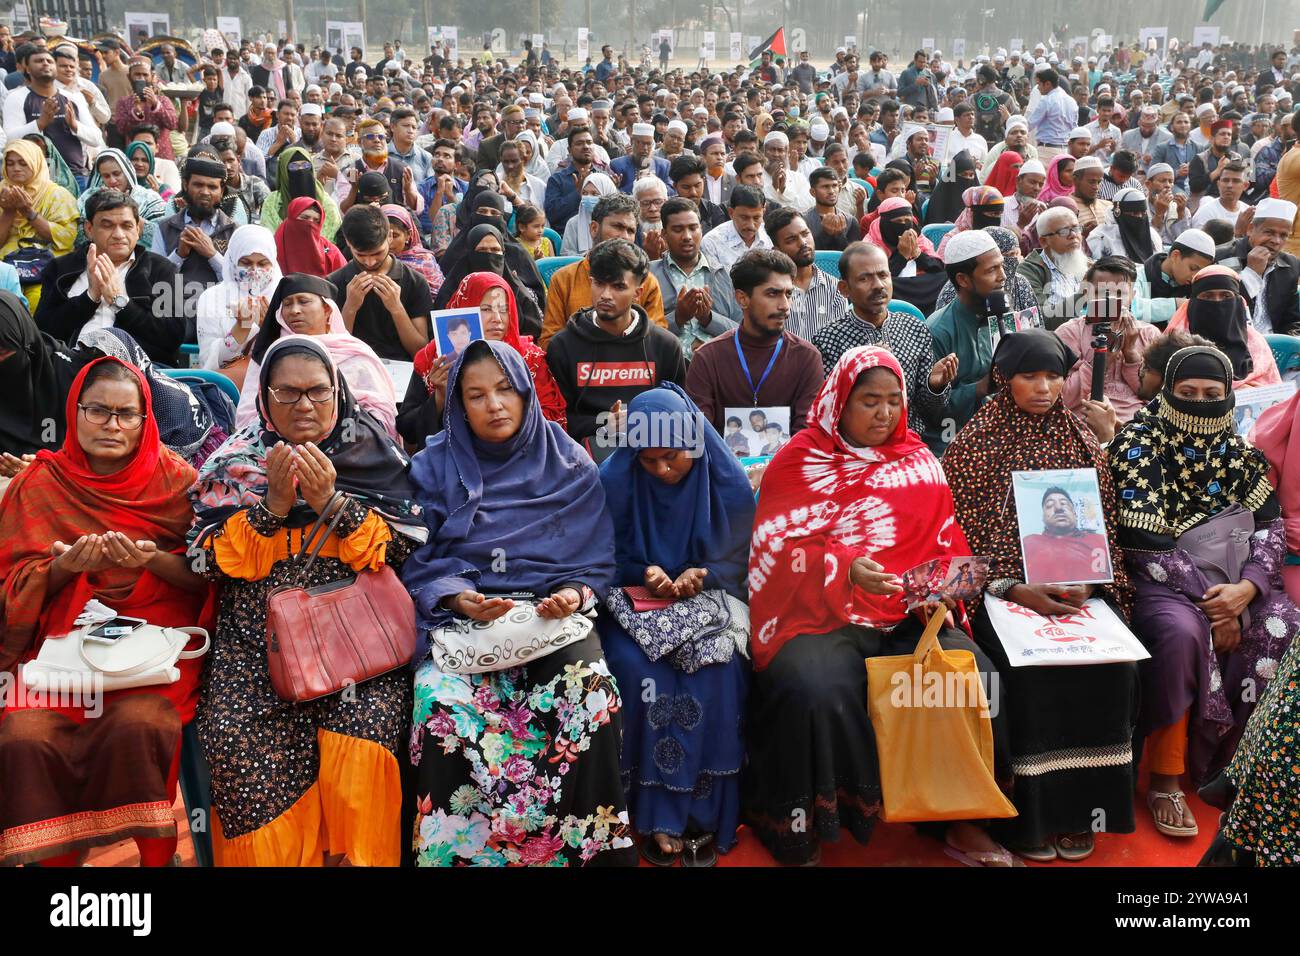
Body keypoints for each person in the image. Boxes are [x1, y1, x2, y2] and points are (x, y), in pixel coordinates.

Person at [745, 345, 1014, 866]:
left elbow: (945, 542)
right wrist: (844, 568)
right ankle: (805, 824)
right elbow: (775, 551)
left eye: (894, 400)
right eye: (869, 401)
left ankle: (960, 818)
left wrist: (941, 586)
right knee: (815, 686)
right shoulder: (800, 460)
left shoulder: (920, 463)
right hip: (822, 614)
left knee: (971, 676)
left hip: (908, 613)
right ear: (840, 403)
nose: (885, 413)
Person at [189, 335, 425, 865]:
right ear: (265, 399)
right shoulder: (237, 462)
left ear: (338, 393)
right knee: (233, 735)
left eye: (318, 392)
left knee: (368, 726)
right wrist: (271, 508)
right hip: (257, 643)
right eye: (288, 394)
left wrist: (331, 504)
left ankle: (359, 857)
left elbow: (409, 548)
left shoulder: (372, 451)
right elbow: (203, 562)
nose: (305, 406)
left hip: (358, 641)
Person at [400, 339, 637, 866]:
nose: (495, 405)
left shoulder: (566, 460)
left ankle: (581, 853)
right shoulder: (432, 466)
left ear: (527, 392)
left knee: (590, 693)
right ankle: (462, 856)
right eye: (476, 395)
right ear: (458, 404)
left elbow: (596, 557)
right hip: (464, 622)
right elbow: (412, 555)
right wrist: (457, 597)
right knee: (439, 708)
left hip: (551, 618)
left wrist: (573, 593)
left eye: (505, 389)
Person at [0, 356, 211, 866]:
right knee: (25, 733)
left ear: (146, 419)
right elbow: (10, 581)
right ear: (75, 411)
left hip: (153, 646)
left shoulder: (177, 482)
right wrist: (63, 569)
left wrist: (151, 559)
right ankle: (58, 862)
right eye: (98, 411)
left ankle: (156, 858)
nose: (111, 425)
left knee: (141, 725)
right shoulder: (42, 482)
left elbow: (203, 577)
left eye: (126, 414)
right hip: (57, 645)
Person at [944, 330, 1139, 863]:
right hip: (1000, 593)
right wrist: (1014, 588)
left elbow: (1103, 532)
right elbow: (959, 544)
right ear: (1005, 380)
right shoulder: (974, 444)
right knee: (1023, 673)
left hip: (1074, 589)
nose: (1045, 386)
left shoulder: (1078, 439)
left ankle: (1080, 811)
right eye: (1030, 375)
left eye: (1054, 376)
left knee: (1112, 667)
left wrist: (1092, 581)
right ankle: (1028, 816)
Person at [1110, 344, 1300, 838]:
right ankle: (1166, 778)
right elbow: (1144, 538)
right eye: (1186, 393)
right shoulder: (1139, 444)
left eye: (1211, 394)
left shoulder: (1240, 455)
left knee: (1284, 625)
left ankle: (1238, 764)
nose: (1199, 403)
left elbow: (1269, 528)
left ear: (1229, 396)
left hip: (1236, 586)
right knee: (1179, 634)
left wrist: (1247, 591)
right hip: (1163, 582)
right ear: (1167, 392)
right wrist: (1214, 605)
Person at [597, 383, 753, 866]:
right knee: (640, 673)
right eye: (648, 460)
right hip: (634, 609)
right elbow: (600, 555)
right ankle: (649, 810)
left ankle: (701, 810)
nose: (663, 470)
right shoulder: (616, 482)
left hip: (712, 601)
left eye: (673, 456)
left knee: (717, 668)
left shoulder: (727, 485)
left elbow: (741, 558)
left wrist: (700, 574)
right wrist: (645, 572)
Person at [546, 239, 686, 446]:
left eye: (618, 286)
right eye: (599, 284)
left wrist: (639, 422)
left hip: (651, 451)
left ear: (637, 293)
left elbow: (680, 415)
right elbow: (556, 422)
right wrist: (603, 425)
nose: (605, 295)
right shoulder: (563, 346)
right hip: (584, 454)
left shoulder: (665, 346)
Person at [402, 271, 567, 443]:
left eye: (504, 310)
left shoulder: (528, 358)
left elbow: (551, 422)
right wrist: (440, 397)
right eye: (486, 309)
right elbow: (407, 429)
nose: (497, 319)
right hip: (452, 459)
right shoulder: (436, 360)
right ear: (465, 309)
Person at [235, 274, 398, 439]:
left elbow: (380, 414)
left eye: (303, 301)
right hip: (279, 445)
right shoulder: (269, 355)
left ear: (327, 309)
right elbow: (247, 417)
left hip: (349, 444)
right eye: (287, 304)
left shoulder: (356, 354)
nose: (294, 310)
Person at [685, 248, 825, 437]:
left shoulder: (807, 357)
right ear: (742, 299)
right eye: (772, 294)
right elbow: (700, 435)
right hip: (722, 466)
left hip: (787, 464)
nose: (785, 305)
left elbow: (806, 436)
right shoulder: (707, 358)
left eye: (789, 294)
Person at [814, 241, 947, 436]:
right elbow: (829, 412)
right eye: (864, 279)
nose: (878, 285)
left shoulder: (915, 328)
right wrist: (865, 369)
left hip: (909, 442)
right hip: (854, 448)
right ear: (844, 289)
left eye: (883, 275)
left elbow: (929, 412)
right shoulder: (828, 339)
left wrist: (935, 387)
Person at [35, 190, 182, 365]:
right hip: (70, 366)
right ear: (89, 229)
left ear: (138, 229)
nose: (119, 234)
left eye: (126, 226)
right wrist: (90, 297)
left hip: (139, 370)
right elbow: (43, 331)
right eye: (107, 225)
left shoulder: (163, 270)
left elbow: (173, 336)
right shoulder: (60, 269)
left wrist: (120, 302)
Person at [540, 194, 666, 346]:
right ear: (594, 228)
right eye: (617, 227)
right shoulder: (564, 279)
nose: (624, 237)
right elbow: (549, 342)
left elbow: (657, 342)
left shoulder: (646, 282)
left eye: (631, 231)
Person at [923, 229, 1006, 447]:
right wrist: (982, 387)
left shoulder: (1003, 316)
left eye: (1001, 266)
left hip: (1001, 428)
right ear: (963, 279)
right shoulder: (938, 331)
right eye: (991, 270)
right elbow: (930, 410)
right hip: (952, 439)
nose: (1003, 276)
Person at [327, 204, 432, 362]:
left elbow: (420, 351)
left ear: (389, 237)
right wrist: (350, 308)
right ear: (348, 243)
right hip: (352, 367)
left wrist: (396, 308)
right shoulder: (333, 283)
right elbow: (331, 351)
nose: (370, 262)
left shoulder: (415, 282)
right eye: (361, 255)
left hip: (402, 370)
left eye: (378, 253)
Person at [151, 153, 239, 333]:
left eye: (212, 187)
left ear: (221, 191)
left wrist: (212, 254)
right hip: (173, 314)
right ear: (185, 185)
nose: (205, 192)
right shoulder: (164, 228)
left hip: (220, 315)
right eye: (198, 185)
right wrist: (179, 254)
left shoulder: (234, 231)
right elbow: (155, 280)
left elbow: (238, 283)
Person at [648, 197, 742, 359]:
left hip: (717, 368)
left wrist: (708, 318)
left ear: (701, 230)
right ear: (664, 234)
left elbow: (742, 331)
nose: (687, 236)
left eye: (693, 228)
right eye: (678, 229)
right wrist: (677, 318)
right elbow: (638, 332)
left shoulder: (724, 275)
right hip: (667, 369)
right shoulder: (648, 275)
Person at [1163, 266, 1281, 389]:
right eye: (1208, 296)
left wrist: (1249, 391)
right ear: (1193, 302)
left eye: (1226, 296)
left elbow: (1272, 393)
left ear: (1237, 302)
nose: (1217, 303)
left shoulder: (1255, 343)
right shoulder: (1176, 341)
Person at [195, 224, 283, 386]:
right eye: (245, 262)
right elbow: (210, 363)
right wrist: (241, 329)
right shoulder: (212, 298)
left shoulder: (285, 298)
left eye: (263, 264)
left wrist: (269, 329)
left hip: (277, 387)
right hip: (230, 390)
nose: (254, 271)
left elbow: (293, 355)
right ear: (232, 260)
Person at [0, 140, 78, 311]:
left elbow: (66, 237)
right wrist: (8, 212)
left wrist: (28, 212)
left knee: (38, 299)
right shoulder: (2, 192)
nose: (16, 168)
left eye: (23, 163)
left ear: (36, 163)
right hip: (6, 264)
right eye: (10, 163)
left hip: (44, 262)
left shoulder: (57, 195)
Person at [1213, 198, 1300, 335]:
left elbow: (1291, 320)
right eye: (1269, 232)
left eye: (1283, 235)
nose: (1276, 241)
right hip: (1232, 341)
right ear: (1250, 229)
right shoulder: (1222, 256)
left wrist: (1289, 344)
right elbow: (1221, 311)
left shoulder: (1290, 265)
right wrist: (1252, 273)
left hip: (1276, 346)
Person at [765, 206, 850, 343]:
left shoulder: (834, 288)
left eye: (805, 234)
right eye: (791, 239)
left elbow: (841, 341)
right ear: (777, 250)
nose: (803, 242)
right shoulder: (770, 291)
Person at [863, 196, 948, 315]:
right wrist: (902, 256)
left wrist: (917, 253)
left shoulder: (917, 237)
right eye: (898, 222)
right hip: (894, 287)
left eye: (907, 220)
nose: (903, 225)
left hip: (919, 283)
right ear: (885, 222)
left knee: (946, 277)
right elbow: (875, 277)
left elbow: (937, 267)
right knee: (882, 285)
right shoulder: (871, 244)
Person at [76, 148, 167, 250]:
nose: (112, 180)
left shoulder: (148, 197)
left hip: (141, 260)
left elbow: (163, 236)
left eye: (116, 174)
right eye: (106, 176)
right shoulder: (89, 196)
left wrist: (125, 204)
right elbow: (78, 238)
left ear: (127, 171)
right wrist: (101, 205)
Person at [1018, 204, 1090, 328]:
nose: (1073, 235)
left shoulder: (1089, 265)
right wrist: (1083, 296)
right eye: (1063, 231)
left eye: (1076, 228)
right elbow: (1040, 320)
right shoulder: (1028, 271)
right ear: (1044, 241)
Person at [259, 145, 342, 240]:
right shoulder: (273, 202)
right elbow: (269, 237)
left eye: (305, 165)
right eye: (293, 166)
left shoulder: (326, 203)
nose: (300, 170)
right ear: (284, 171)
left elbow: (329, 239)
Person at [698, 183, 773, 273]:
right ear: (731, 213)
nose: (751, 225)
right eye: (744, 218)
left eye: (756, 218)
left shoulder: (771, 236)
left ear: (763, 212)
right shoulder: (711, 243)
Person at [273, 196, 347, 277]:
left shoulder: (330, 252)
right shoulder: (274, 248)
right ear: (292, 217)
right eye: (304, 218)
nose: (310, 224)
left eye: (316, 221)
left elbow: (345, 278)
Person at [1087, 187, 1162, 262]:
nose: (1140, 217)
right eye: (1135, 213)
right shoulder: (1102, 237)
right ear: (1118, 213)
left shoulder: (1152, 235)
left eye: (1143, 213)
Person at [560, 170, 618, 255]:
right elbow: (565, 255)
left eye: (594, 194)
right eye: (584, 193)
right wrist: (586, 257)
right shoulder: (573, 223)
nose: (588, 197)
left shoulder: (616, 223)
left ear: (607, 195)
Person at [1188, 160, 1251, 231]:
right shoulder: (1206, 213)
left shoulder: (1248, 212)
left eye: (1236, 181)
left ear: (1245, 186)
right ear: (1218, 184)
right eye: (1225, 180)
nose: (1229, 185)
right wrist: (1238, 232)